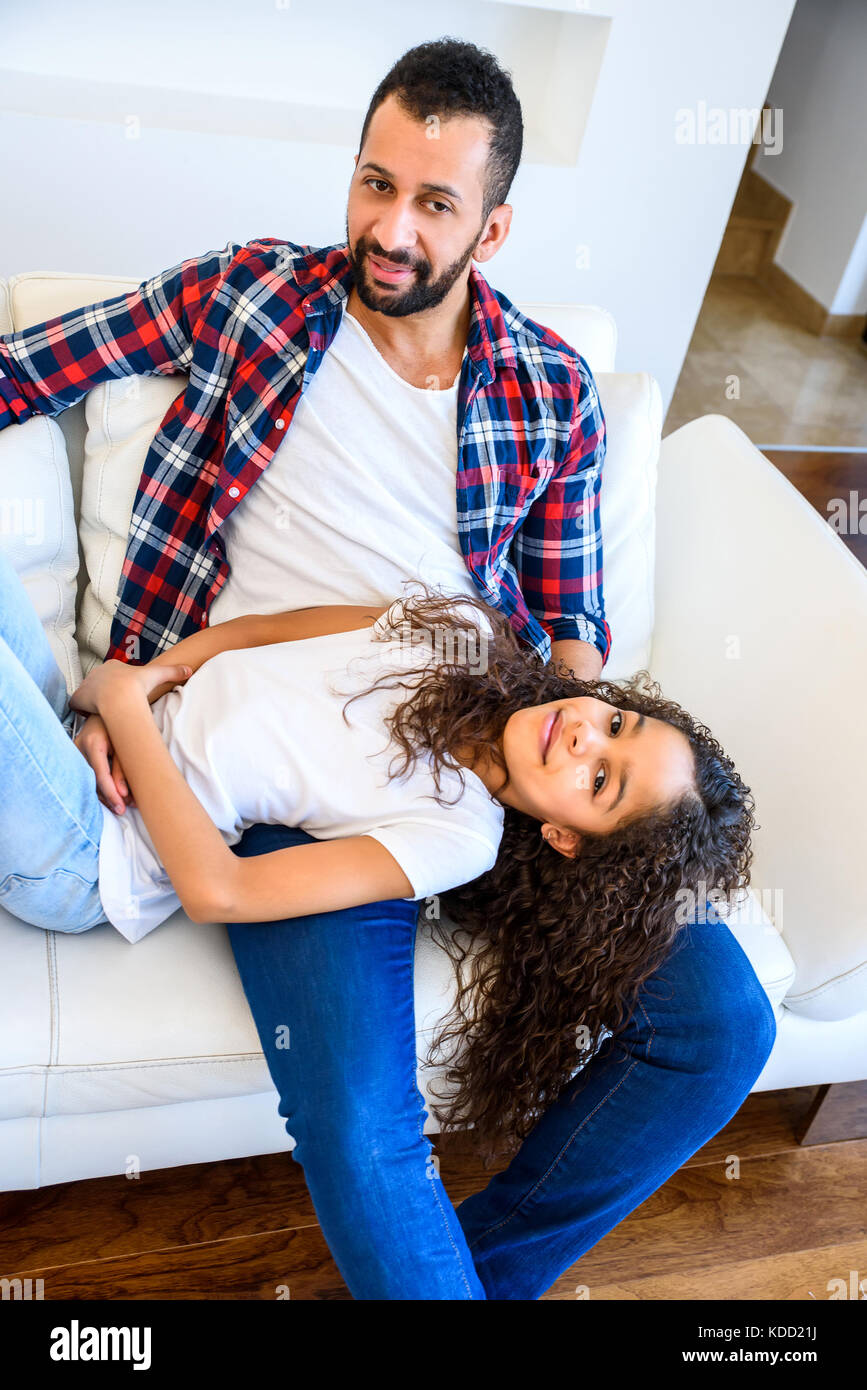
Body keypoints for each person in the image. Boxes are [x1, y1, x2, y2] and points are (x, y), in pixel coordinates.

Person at [0, 39, 776, 1300]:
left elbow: (574, 628)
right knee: (366, 1133)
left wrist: (591, 757)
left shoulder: (548, 389)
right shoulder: (250, 296)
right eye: (374, 185)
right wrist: (134, 682)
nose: (389, 230)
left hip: (490, 741)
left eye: (434, 205)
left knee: (724, 1022)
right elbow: (30, 370)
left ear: (496, 223)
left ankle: (470, 1281)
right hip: (278, 760)